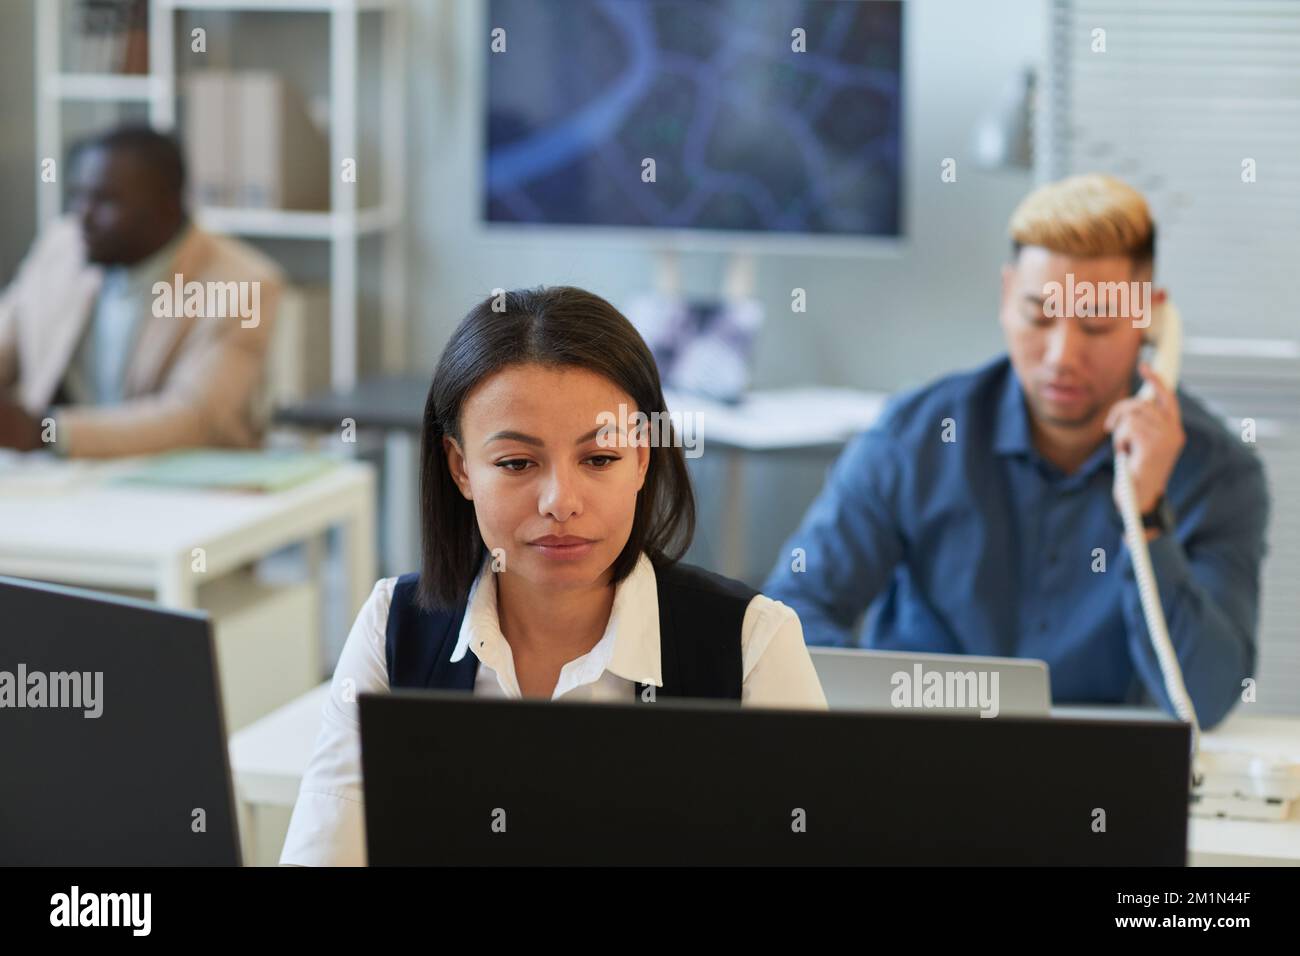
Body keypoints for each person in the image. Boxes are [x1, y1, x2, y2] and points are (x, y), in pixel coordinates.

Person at [281, 285, 826, 866]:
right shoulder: (395, 625)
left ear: (641, 458)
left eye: (600, 459)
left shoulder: (751, 642)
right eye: (517, 463)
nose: (560, 502)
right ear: (461, 468)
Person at [764, 174, 1268, 730]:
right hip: (916, 754)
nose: (1061, 355)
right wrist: (879, 714)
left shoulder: (1219, 472)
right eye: (1040, 316)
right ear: (1008, 297)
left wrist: (1147, 516)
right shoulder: (915, 438)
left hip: (1103, 778)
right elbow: (792, 615)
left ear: (1148, 318)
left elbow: (1209, 697)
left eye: (1096, 324)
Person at [0, 125, 282, 457]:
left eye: (105, 201)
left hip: (179, 487)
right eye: (78, 196)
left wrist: (45, 431)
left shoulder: (242, 284)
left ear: (166, 206)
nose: (83, 217)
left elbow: (194, 419)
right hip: (54, 479)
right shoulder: (62, 247)